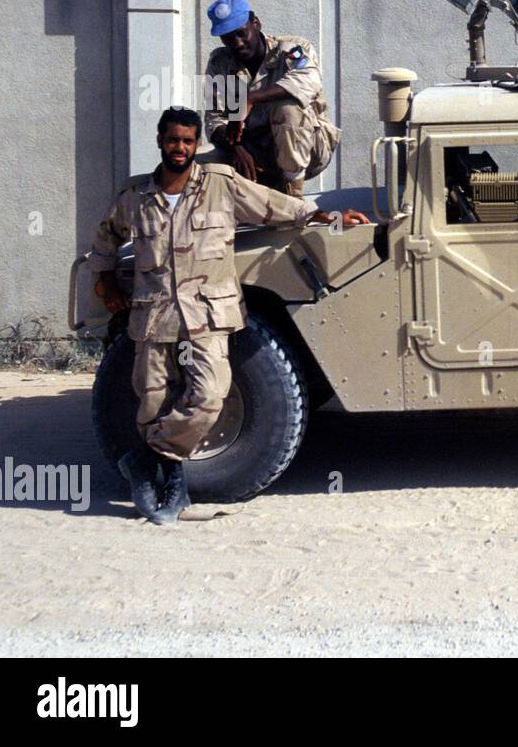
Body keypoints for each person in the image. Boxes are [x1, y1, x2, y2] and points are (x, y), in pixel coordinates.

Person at [89, 107, 369, 524]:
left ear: (196, 144)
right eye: (172, 140)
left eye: (187, 141)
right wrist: (106, 281)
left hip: (208, 316)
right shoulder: (135, 196)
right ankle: (172, 488)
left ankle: (145, 461)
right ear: (160, 141)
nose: (179, 148)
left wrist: (325, 216)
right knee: (151, 403)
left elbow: (274, 206)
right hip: (154, 316)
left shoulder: (220, 185)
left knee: (208, 397)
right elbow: (105, 238)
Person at [203, 0, 342, 196]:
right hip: (257, 152)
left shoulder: (292, 49)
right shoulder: (219, 63)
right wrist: (236, 147)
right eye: (228, 38)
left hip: (309, 149)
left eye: (242, 33)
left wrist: (249, 99)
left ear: (256, 23)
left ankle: (292, 197)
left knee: (287, 108)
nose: (237, 43)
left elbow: (308, 81)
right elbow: (214, 121)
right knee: (198, 161)